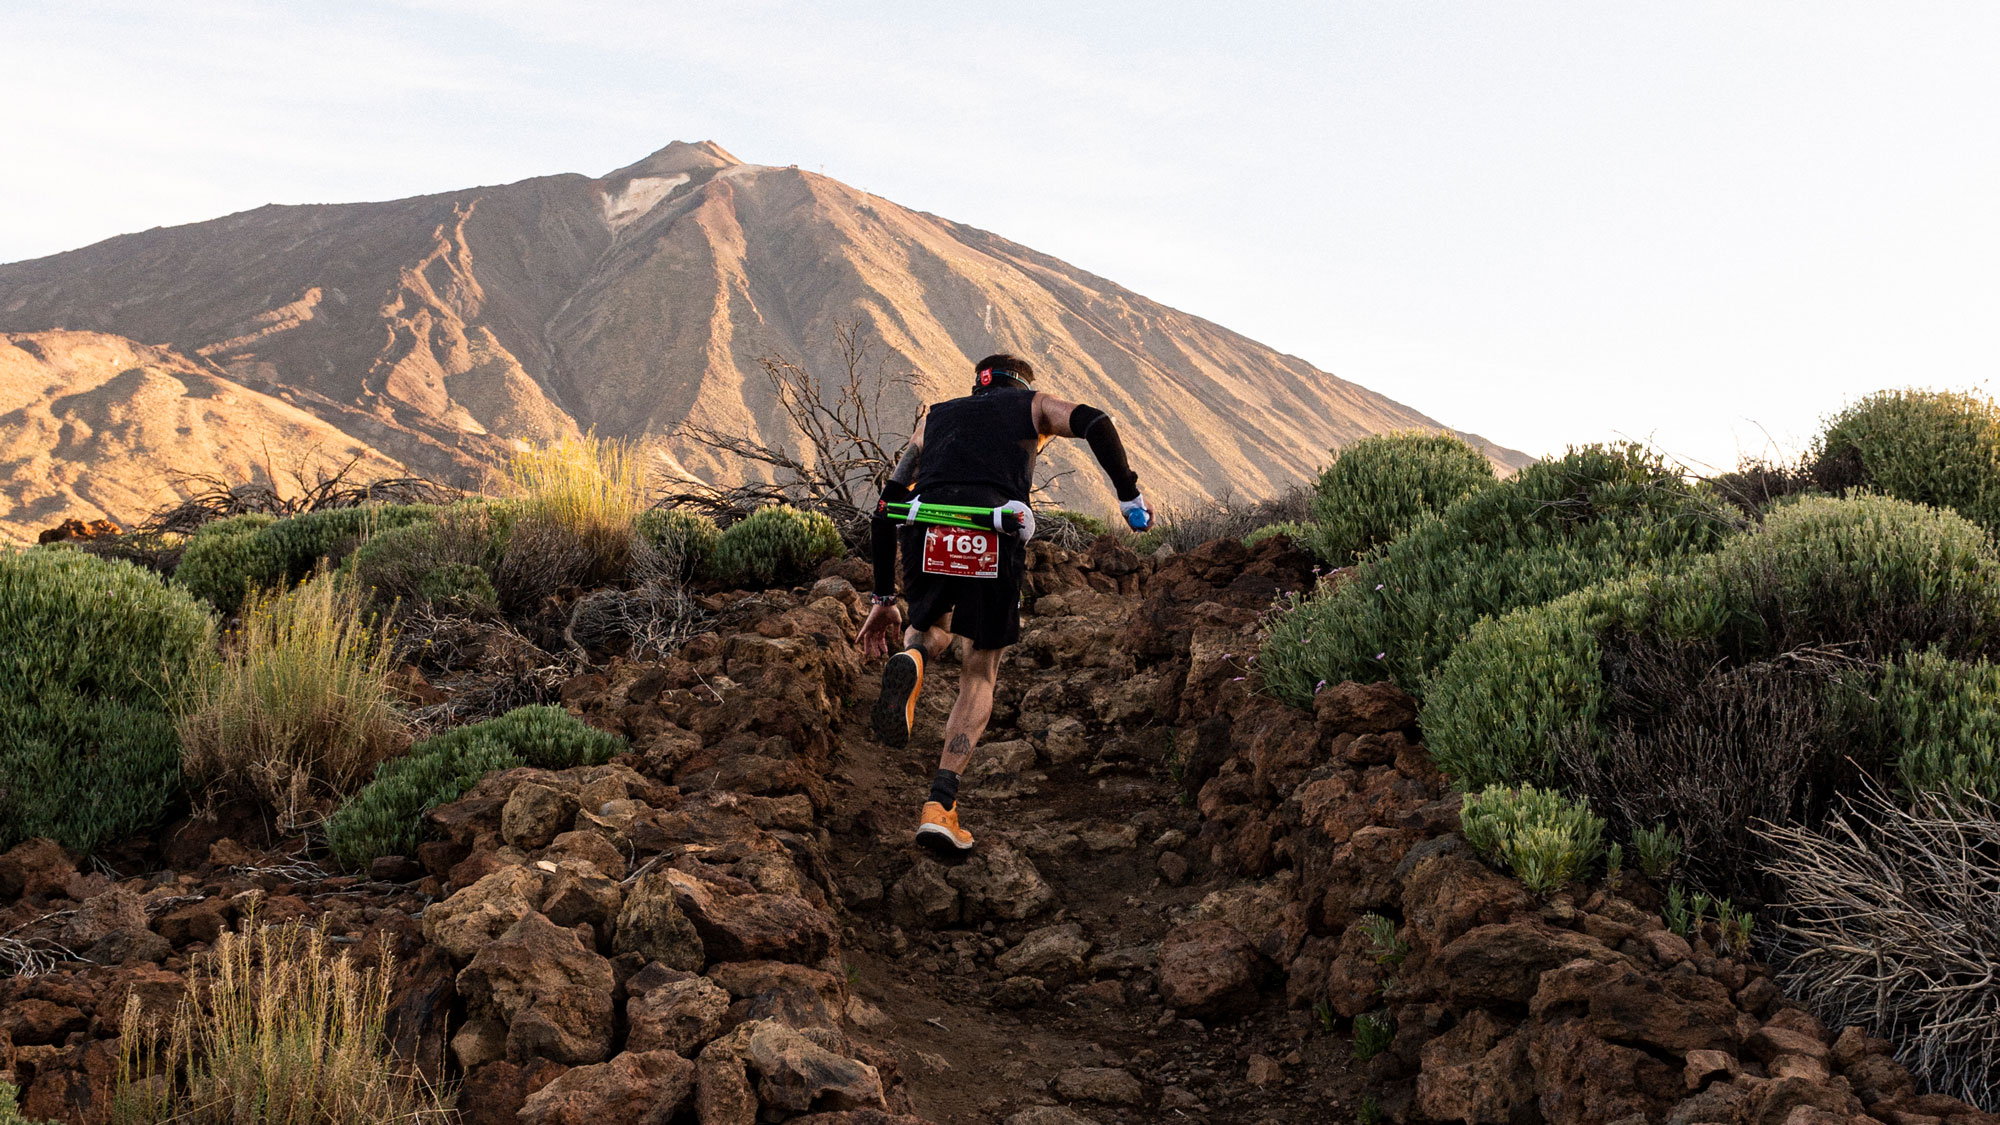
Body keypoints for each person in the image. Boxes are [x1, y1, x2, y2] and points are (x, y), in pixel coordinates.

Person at [854, 352, 1152, 855]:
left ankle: (915, 655)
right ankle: (940, 806)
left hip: (927, 522)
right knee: (979, 671)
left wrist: (884, 597)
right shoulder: (1033, 406)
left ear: (977, 385)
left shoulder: (935, 419)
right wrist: (1128, 493)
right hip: (992, 527)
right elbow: (1095, 421)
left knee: (930, 627)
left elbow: (885, 507)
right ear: (1023, 386)